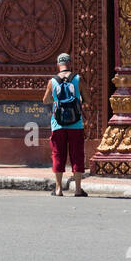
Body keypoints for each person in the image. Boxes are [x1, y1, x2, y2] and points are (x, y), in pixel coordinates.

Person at [42, 51, 87, 197]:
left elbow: (45, 100)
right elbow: (88, 99)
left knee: (58, 154)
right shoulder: (78, 79)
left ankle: (59, 189)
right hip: (76, 123)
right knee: (77, 154)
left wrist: (56, 99)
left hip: (58, 124)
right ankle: (78, 189)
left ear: (58, 65)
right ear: (70, 64)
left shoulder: (52, 81)